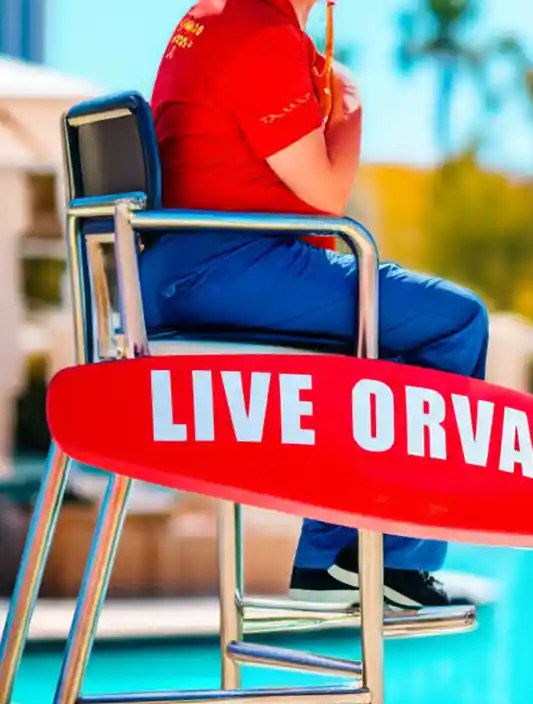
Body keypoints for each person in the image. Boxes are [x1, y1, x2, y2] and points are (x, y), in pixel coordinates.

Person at [142, 0, 488, 607]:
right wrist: (349, 104)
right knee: (456, 322)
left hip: (182, 270)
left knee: (384, 337)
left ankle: (327, 558)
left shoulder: (208, 18)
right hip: (229, 267)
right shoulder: (262, 36)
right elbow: (327, 193)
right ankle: (395, 561)